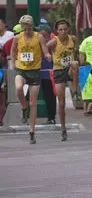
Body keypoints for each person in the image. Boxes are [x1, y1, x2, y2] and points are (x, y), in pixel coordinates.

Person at [10, 15, 52, 144]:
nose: (27, 31)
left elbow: (44, 49)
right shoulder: (17, 38)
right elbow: (13, 51)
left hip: (34, 71)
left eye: (29, 28)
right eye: (25, 28)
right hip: (21, 70)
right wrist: (13, 63)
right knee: (18, 88)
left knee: (33, 104)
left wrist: (47, 55)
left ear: (31, 26)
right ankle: (23, 106)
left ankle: (32, 131)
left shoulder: (38, 36)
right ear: (22, 28)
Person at [47, 19, 78, 141]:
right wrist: (47, 54)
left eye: (65, 29)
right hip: (59, 70)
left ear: (68, 29)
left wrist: (73, 60)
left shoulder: (73, 39)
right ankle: (63, 127)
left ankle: (75, 92)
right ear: (56, 31)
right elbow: (44, 47)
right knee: (61, 103)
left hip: (69, 68)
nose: (63, 31)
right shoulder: (54, 42)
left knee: (75, 64)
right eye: (60, 29)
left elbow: (74, 52)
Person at [38, 24, 56, 124]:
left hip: (48, 73)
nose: (41, 37)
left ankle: (51, 117)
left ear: (48, 35)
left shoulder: (52, 44)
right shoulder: (37, 43)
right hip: (35, 72)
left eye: (43, 34)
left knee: (49, 95)